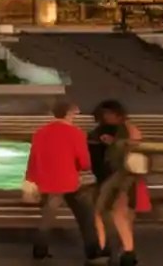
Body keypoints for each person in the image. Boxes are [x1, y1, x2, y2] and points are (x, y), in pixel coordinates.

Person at [24, 99, 101, 262]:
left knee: (48, 216)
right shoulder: (75, 133)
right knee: (85, 216)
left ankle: (39, 249)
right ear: (68, 114)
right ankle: (92, 250)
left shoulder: (41, 132)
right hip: (70, 181)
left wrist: (30, 178)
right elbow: (85, 162)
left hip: (48, 181)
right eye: (74, 114)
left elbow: (33, 158)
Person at [92, 100, 150, 266]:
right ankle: (124, 251)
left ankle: (114, 250)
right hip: (125, 178)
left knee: (111, 213)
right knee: (122, 215)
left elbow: (132, 149)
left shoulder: (127, 130)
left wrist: (114, 143)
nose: (105, 118)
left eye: (108, 114)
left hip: (123, 178)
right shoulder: (124, 129)